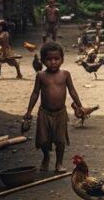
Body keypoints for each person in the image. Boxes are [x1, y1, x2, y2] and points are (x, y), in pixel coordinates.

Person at [23, 42, 83, 172]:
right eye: (49, 59)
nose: (53, 62)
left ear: (62, 59)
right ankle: (46, 157)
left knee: (60, 140)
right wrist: (29, 111)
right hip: (44, 113)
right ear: (43, 60)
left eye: (57, 59)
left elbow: (72, 91)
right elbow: (35, 93)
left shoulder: (65, 74)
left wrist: (80, 106)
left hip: (60, 113)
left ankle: (59, 163)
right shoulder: (41, 75)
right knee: (43, 140)